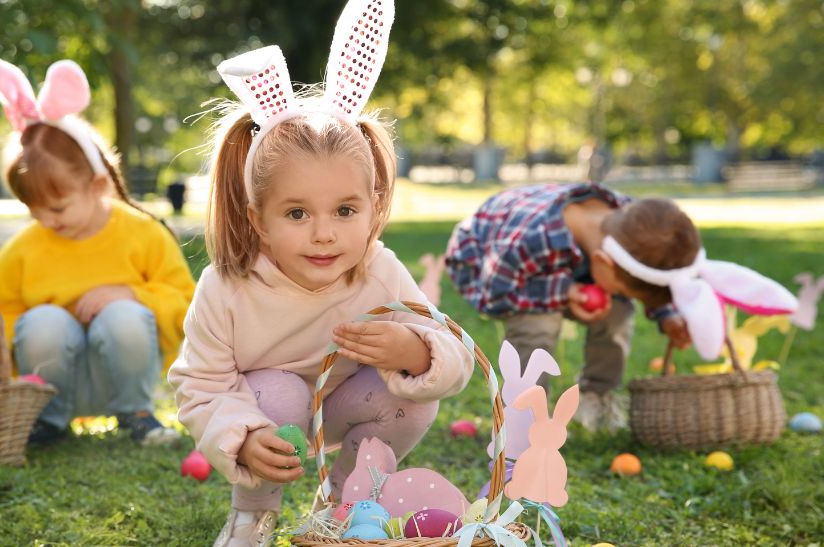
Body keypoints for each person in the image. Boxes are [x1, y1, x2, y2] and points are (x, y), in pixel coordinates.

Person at [167, 4, 473, 545]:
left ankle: (344, 503)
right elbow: (199, 383)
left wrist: (416, 352)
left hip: (346, 405)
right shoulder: (228, 286)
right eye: (297, 214)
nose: (325, 234)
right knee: (279, 392)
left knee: (412, 395)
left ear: (373, 204)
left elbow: (455, 351)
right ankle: (253, 513)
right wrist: (237, 435)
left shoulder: (379, 270)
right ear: (256, 219)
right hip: (266, 412)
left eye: (345, 211)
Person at [0, 51, 195, 446]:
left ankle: (136, 413)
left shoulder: (141, 232)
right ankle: (48, 421)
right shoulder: (27, 247)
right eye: (34, 210)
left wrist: (130, 294)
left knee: (124, 315)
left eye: (58, 207)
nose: (47, 221)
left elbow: (186, 303)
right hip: (50, 380)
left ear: (98, 186)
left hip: (121, 376)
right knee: (43, 320)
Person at [445, 183, 697, 432]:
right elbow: (494, 295)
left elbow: (650, 277)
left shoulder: (638, 228)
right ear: (602, 262)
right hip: (489, 266)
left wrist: (667, 313)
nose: (617, 293)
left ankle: (596, 396)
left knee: (617, 312)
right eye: (621, 289)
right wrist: (563, 292)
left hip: (557, 261)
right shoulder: (533, 238)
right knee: (539, 323)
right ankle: (524, 414)